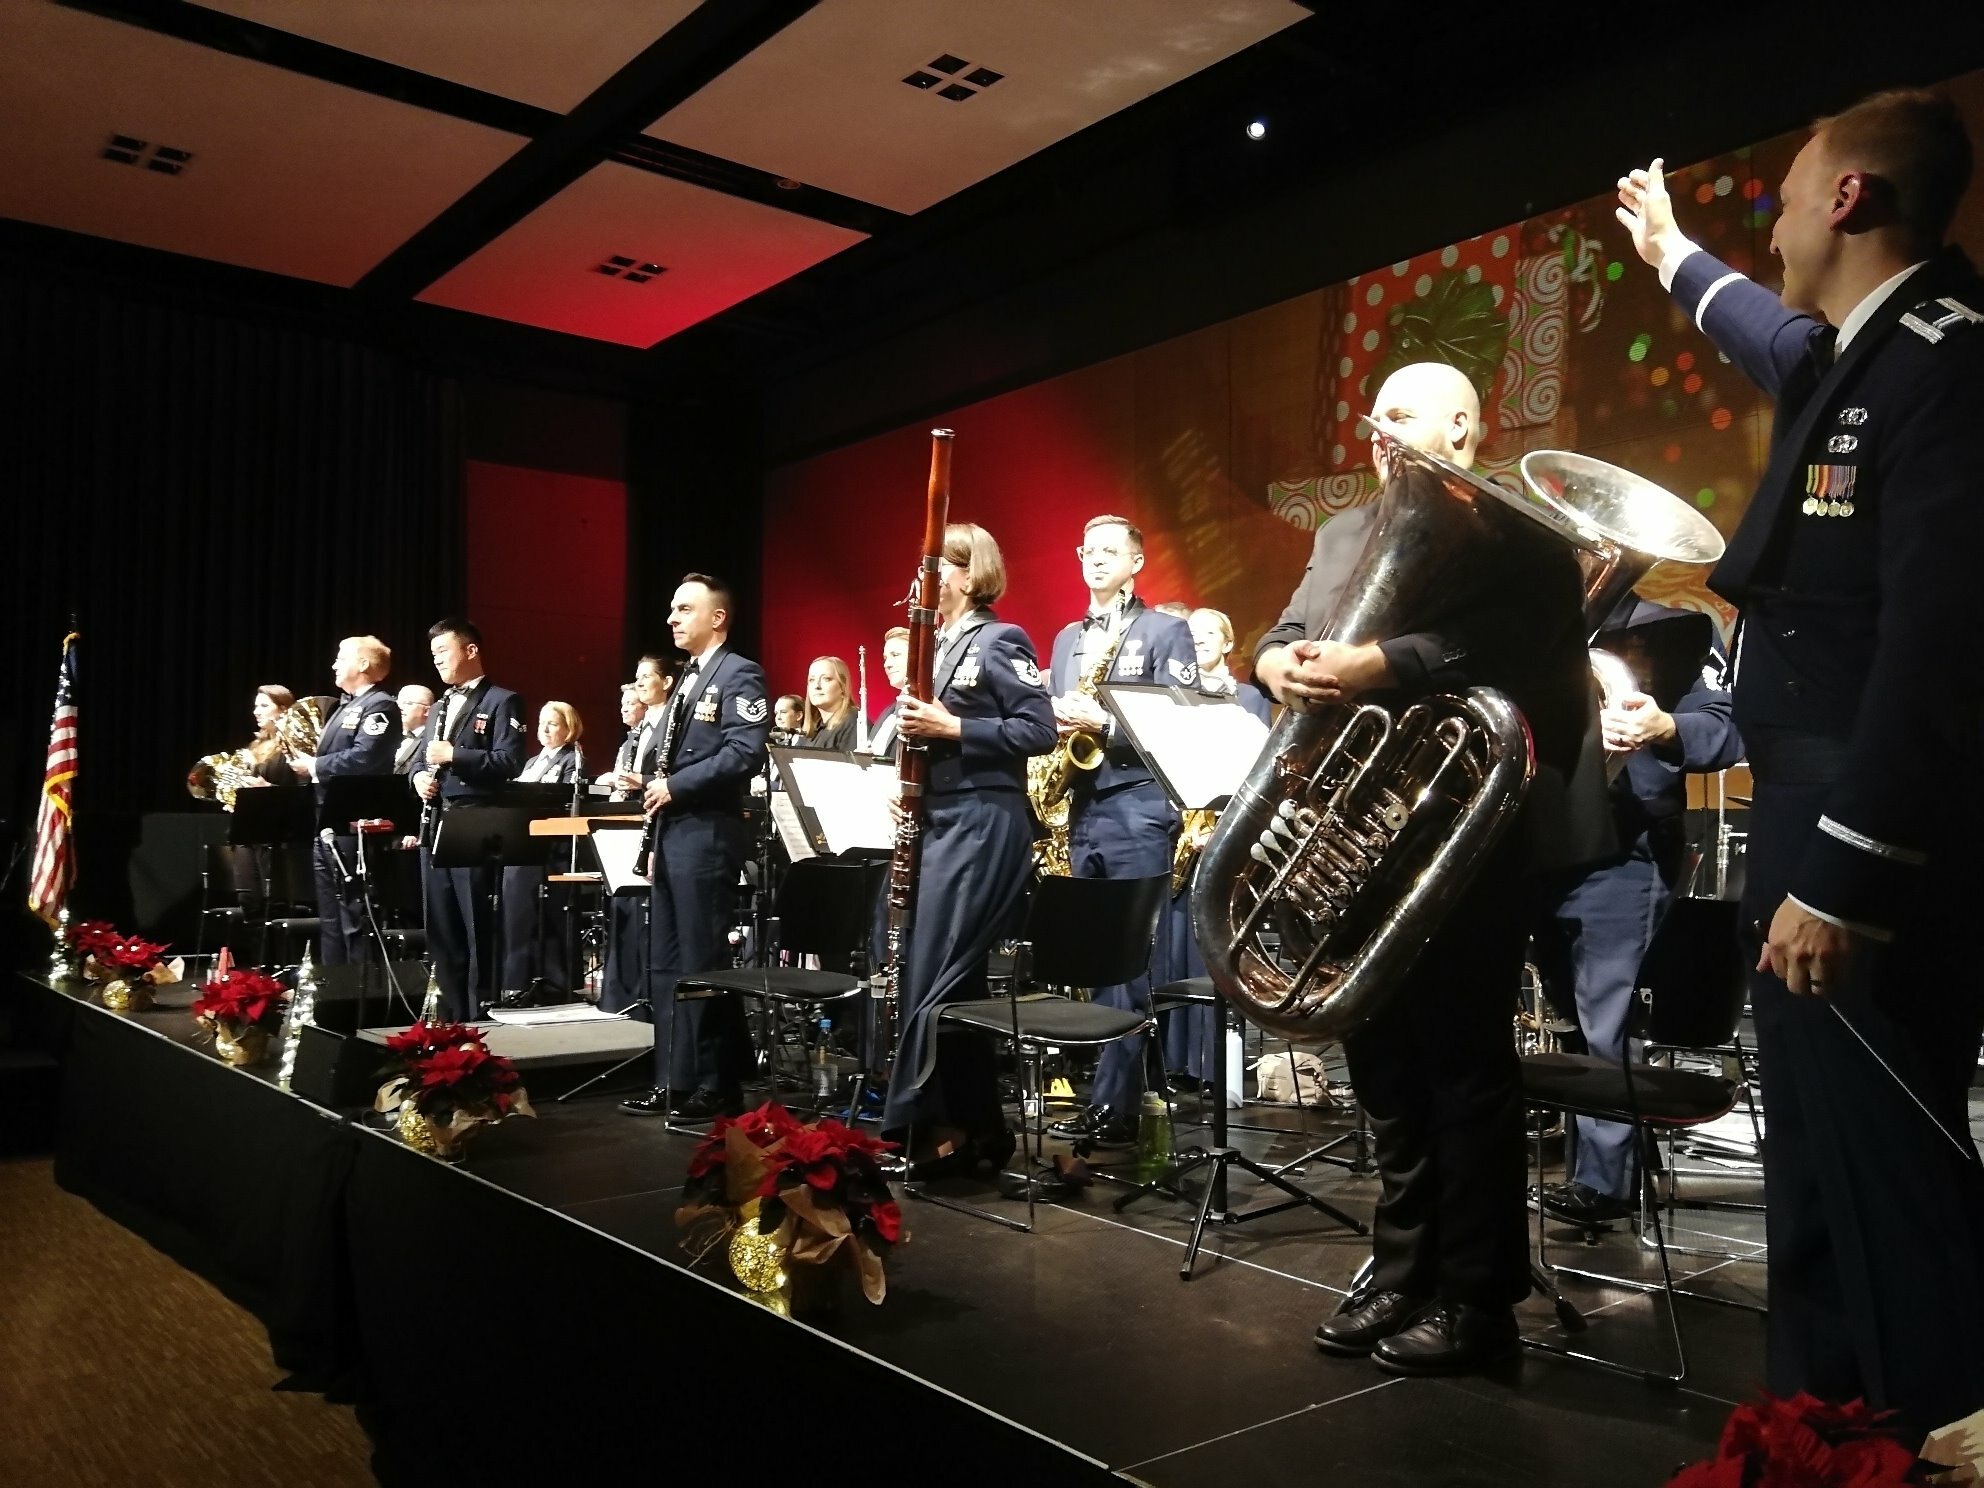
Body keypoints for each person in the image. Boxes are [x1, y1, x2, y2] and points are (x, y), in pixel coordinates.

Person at [1617, 89, 1984, 1441]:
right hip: (1814, 804)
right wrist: (1669, 252)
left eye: (1779, 197)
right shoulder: (1860, 355)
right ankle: (1824, 1436)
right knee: (1822, 1169)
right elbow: (1757, 321)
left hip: (1864, 827)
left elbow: (1944, 647)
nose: (1764, 227)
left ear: (1847, 200)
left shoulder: (1947, 362)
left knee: (1886, 1171)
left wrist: (1843, 877)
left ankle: (1928, 1441)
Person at [1258, 360, 1608, 1375]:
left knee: (1463, 1068)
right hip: (1359, 830)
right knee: (1383, 1067)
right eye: (1376, 414)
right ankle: (1400, 1268)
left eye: (1405, 414)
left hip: (1465, 833)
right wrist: (1272, 662)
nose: (1381, 427)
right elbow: (1289, 631)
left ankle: (1477, 1299)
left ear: (1463, 427)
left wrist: (1388, 664)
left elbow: (1530, 655)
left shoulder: (1525, 532)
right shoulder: (1336, 534)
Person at [1530, 599, 1741, 1225]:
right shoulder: (1539, 625)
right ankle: (1616, 1160)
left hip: (1623, 853)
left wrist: (1664, 728)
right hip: (1539, 845)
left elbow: (1726, 726)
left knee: (1608, 1022)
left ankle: (1605, 1184)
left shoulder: (1674, 643)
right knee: (1571, 1019)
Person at [881, 523, 1056, 1169]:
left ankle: (920, 1123)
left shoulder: (1000, 638)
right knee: (949, 982)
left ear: (965, 573)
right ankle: (972, 1129)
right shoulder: (940, 643)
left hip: (985, 820)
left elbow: (1038, 729)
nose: (919, 583)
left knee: (935, 975)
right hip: (943, 818)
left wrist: (954, 724)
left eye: (933, 569)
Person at [1044, 515, 1200, 1148]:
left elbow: (1181, 723)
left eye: (1111, 551)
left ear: (1137, 562)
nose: (1096, 559)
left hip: (1136, 803)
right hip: (1081, 808)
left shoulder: (1166, 630)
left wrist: (1105, 729)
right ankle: (1120, 1093)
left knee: (1127, 965)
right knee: (1098, 961)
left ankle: (1117, 1107)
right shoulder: (1063, 639)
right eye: (1088, 549)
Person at [619, 575, 770, 1119]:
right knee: (666, 963)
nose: (673, 618)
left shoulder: (739, 673)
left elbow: (743, 751)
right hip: (673, 831)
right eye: (672, 609)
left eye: (685, 609)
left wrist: (676, 786)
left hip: (707, 832)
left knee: (704, 962)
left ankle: (716, 1081)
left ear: (718, 617)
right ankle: (674, 1076)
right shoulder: (686, 677)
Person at [1156, 606, 1273, 1084]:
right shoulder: (1170, 697)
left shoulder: (1247, 696)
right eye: (1191, 633)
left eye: (1209, 633)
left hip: (1219, 839)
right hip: (1173, 839)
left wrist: (1222, 830)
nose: (1197, 640)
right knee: (1171, 951)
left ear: (1228, 644)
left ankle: (1212, 1067)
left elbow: (1256, 767)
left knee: (1211, 953)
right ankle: (1174, 1064)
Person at [409, 619, 530, 1022]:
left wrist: (455, 757)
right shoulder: (440, 706)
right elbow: (420, 760)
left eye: (444, 651)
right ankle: (446, 1009)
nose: (438, 660)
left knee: (474, 917)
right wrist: (419, 777)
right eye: (434, 655)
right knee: (440, 923)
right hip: (435, 822)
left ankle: (479, 1009)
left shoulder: (502, 700)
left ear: (471, 650)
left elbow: (509, 762)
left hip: (474, 823)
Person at [289, 637, 400, 965]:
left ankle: (358, 996)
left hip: (355, 823)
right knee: (330, 918)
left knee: (354, 913)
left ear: (364, 665)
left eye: (341, 657)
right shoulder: (344, 707)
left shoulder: (380, 705)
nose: (334, 664)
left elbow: (365, 759)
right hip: (327, 822)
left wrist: (313, 766)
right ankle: (333, 989)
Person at [500, 702, 586, 997]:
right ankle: (518, 982)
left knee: (548, 920)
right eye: (541, 722)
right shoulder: (532, 762)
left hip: (550, 851)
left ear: (568, 728)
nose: (545, 729)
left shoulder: (572, 760)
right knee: (518, 918)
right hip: (521, 846)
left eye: (553, 723)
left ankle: (554, 983)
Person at [867, 626, 912, 760]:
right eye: (885, 658)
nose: (887, 664)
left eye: (895, 655)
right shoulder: (888, 712)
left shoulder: (928, 707)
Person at [799, 656, 859, 752]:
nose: (817, 686)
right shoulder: (811, 730)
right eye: (811, 680)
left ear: (843, 686)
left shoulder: (854, 722)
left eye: (826, 679)